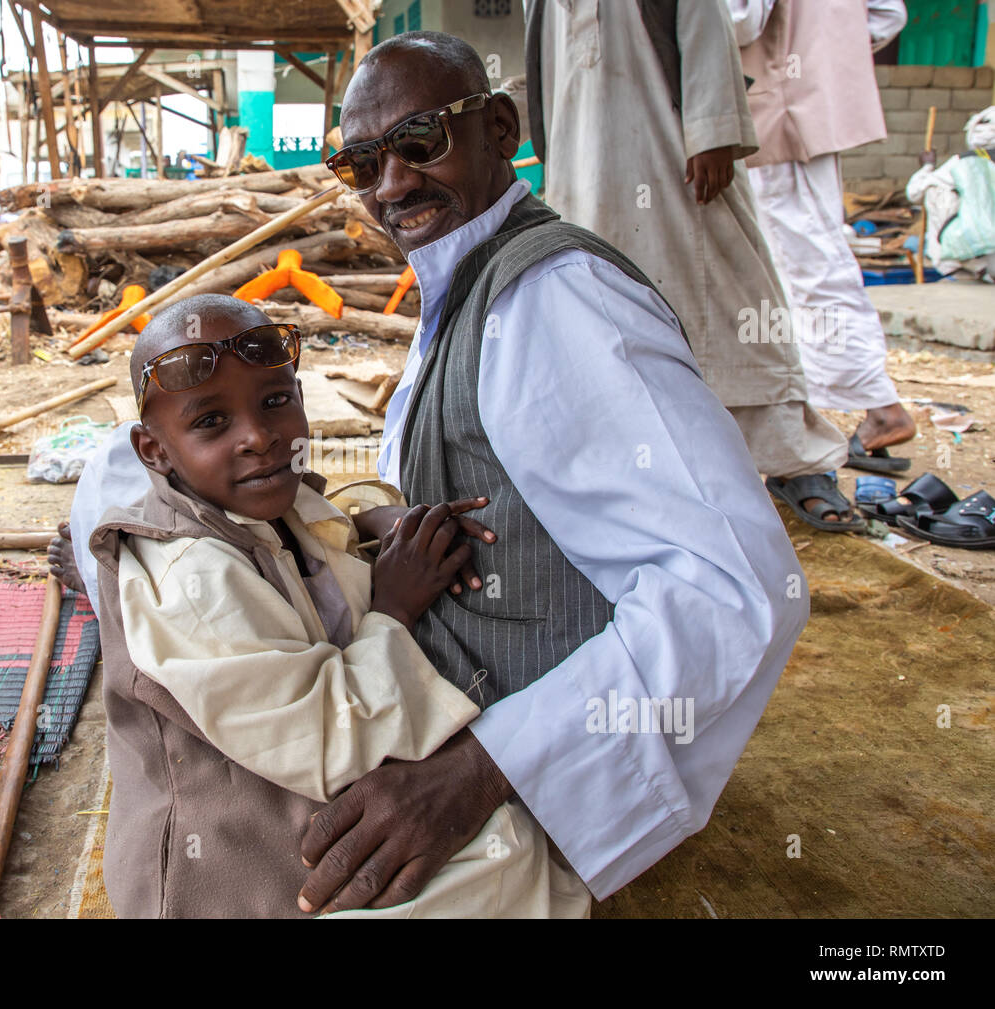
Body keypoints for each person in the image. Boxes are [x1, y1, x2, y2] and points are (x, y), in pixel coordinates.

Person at [287, 30, 808, 913]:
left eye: (421, 143)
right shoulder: (468, 280)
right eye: (363, 163)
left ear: (499, 127)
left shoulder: (558, 301)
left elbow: (736, 586)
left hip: (524, 774)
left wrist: (484, 770)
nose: (392, 183)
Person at [87, 293, 592, 917]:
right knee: (501, 862)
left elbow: (327, 533)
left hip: (293, 773)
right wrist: (396, 610)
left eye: (276, 402)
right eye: (211, 423)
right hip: (228, 843)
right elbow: (328, 738)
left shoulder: (257, 500)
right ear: (154, 452)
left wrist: (378, 522)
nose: (259, 438)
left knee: (505, 837)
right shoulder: (193, 575)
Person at [524, 0, 859, 531]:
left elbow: (703, 15)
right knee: (607, 306)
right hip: (583, 157)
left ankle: (793, 459)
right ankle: (644, 465)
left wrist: (713, 127)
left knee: (727, 291)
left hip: (671, 143)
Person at [734, 0, 918, 475]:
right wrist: (824, 54)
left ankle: (878, 405)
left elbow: (739, 19)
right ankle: (848, 403)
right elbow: (886, 16)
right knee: (812, 256)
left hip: (774, 107)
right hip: (810, 102)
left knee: (805, 266)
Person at [906, 106, 995, 283]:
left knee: (935, 189)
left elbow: (914, 193)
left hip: (965, 259)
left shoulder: (963, 163)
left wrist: (927, 166)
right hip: (984, 259)